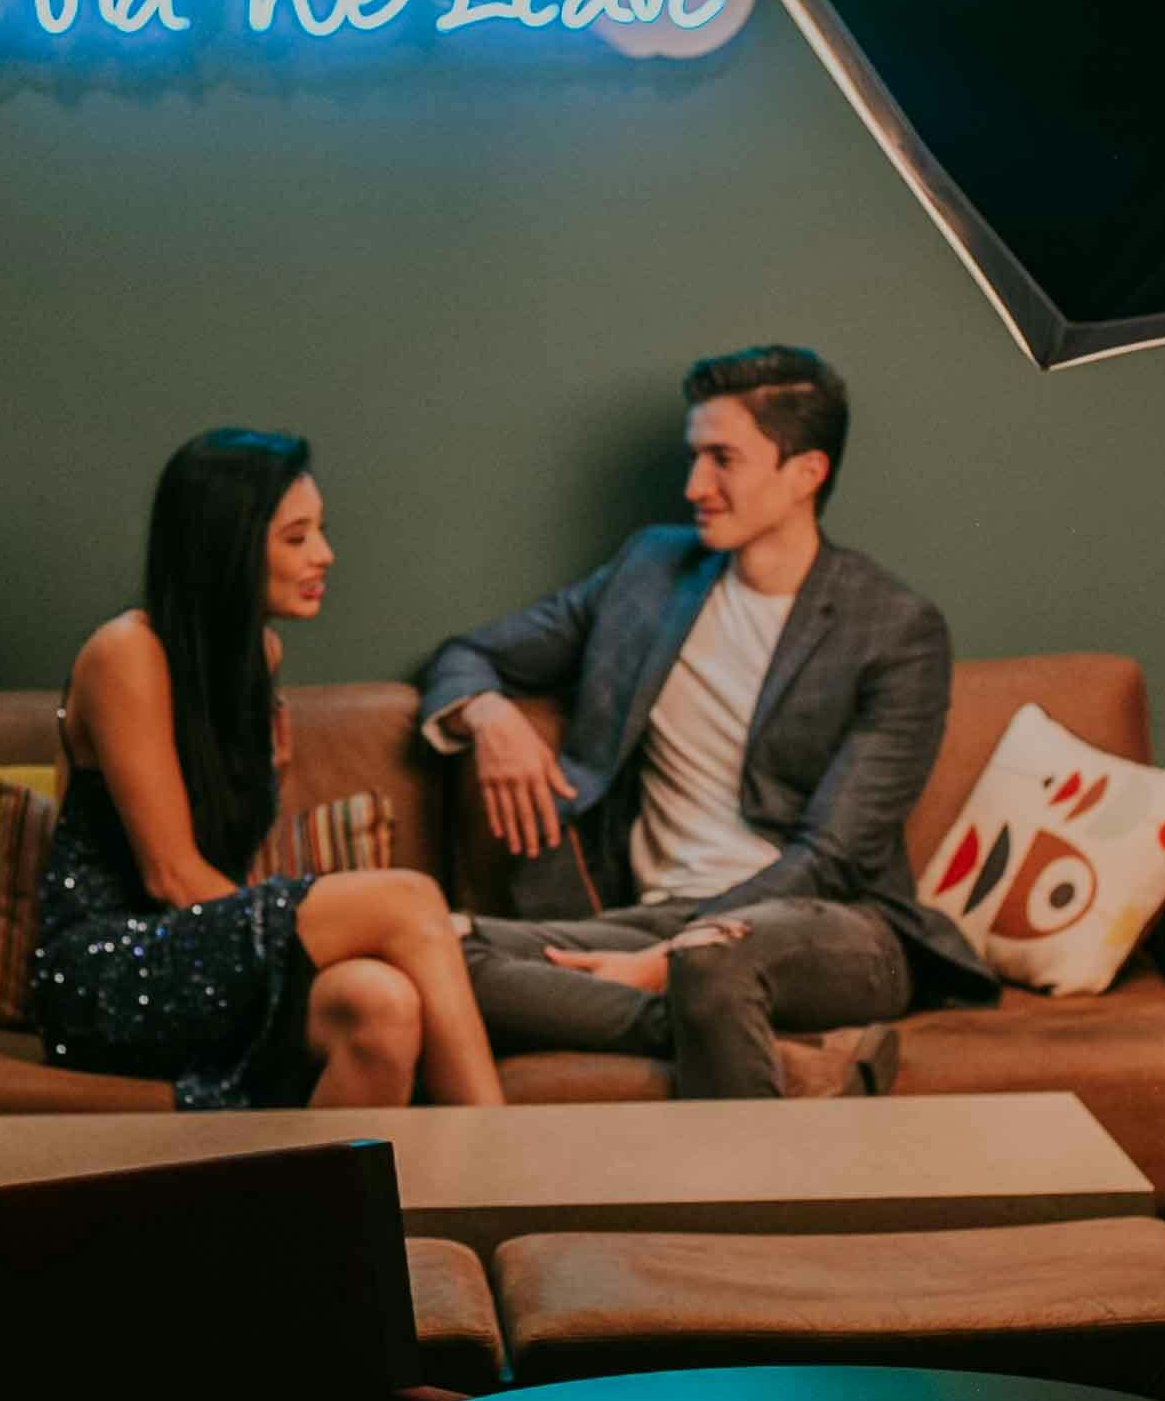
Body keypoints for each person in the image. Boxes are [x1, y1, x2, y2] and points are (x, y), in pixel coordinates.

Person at [421, 344, 994, 1096]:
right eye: (696, 457)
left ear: (806, 474)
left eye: (723, 459)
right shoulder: (649, 572)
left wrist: (683, 954)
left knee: (714, 964)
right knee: (433, 950)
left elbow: (834, 854)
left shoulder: (893, 627)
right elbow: (466, 655)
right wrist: (489, 717)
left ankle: (740, 1164)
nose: (695, 486)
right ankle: (777, 1050)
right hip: (654, 916)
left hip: (833, 924)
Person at [33, 428, 506, 1112]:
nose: (325, 555)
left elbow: (228, 863)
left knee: (385, 1006)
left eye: (319, 532)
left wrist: (267, 777)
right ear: (227, 546)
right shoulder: (126, 654)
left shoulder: (260, 655)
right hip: (107, 969)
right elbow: (170, 875)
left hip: (195, 952)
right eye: (296, 538)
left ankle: (323, 1220)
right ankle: (509, 1166)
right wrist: (298, 948)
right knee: (407, 900)